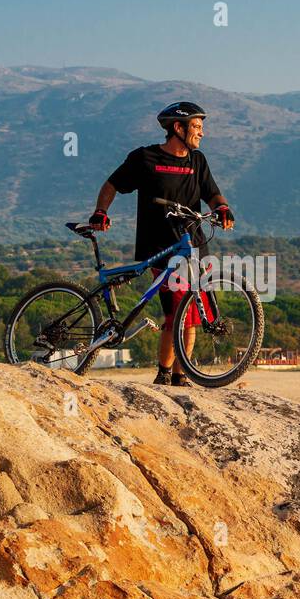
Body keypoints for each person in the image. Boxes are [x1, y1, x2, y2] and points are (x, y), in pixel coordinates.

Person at [87, 102, 234, 386]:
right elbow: (112, 184)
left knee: (193, 313)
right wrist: (101, 211)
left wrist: (224, 209)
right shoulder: (146, 158)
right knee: (178, 310)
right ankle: (165, 373)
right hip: (160, 246)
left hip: (194, 245)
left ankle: (181, 375)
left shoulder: (197, 161)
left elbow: (213, 194)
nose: (202, 133)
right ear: (178, 128)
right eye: (197, 127)